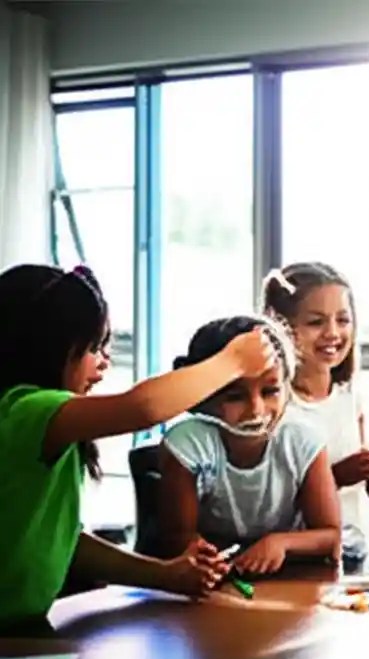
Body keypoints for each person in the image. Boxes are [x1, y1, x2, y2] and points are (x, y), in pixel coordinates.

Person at [0, 264, 274, 632]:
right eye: (94, 347)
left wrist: (165, 576)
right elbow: (143, 408)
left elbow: (65, 542)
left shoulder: (48, 428)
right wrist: (232, 361)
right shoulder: (23, 410)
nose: (104, 362)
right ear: (46, 346)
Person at [156, 316, 342, 576]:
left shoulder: (302, 441)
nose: (256, 409)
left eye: (270, 391)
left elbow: (331, 537)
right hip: (214, 578)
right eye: (235, 396)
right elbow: (176, 538)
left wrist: (280, 543)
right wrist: (202, 554)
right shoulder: (189, 444)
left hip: (291, 579)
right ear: (204, 397)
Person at [262, 262, 369, 561]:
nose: (333, 333)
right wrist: (336, 476)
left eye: (343, 320)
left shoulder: (350, 396)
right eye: (316, 322)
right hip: (304, 561)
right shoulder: (277, 407)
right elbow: (270, 504)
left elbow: (360, 489)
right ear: (281, 326)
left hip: (361, 551)